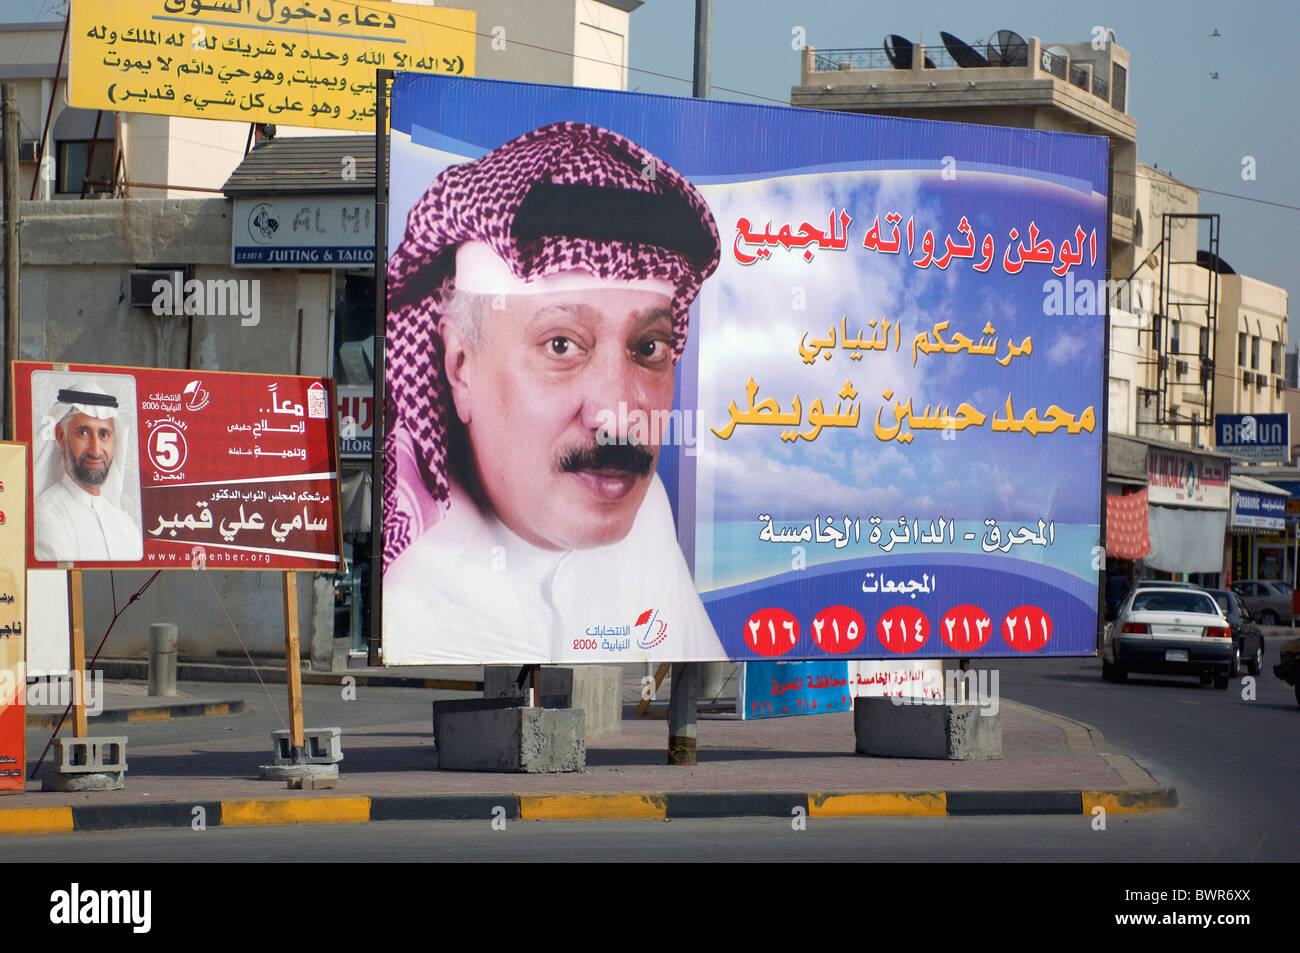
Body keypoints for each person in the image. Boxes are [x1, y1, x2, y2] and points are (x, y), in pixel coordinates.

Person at [383, 121, 726, 664]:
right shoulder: (407, 590)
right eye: (562, 345)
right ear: (460, 367)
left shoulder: (644, 511)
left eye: (649, 348)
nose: (617, 416)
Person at [34, 384, 143, 562]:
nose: (95, 450)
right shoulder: (44, 515)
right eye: (83, 433)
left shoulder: (126, 527)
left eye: (104, 434)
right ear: (62, 437)